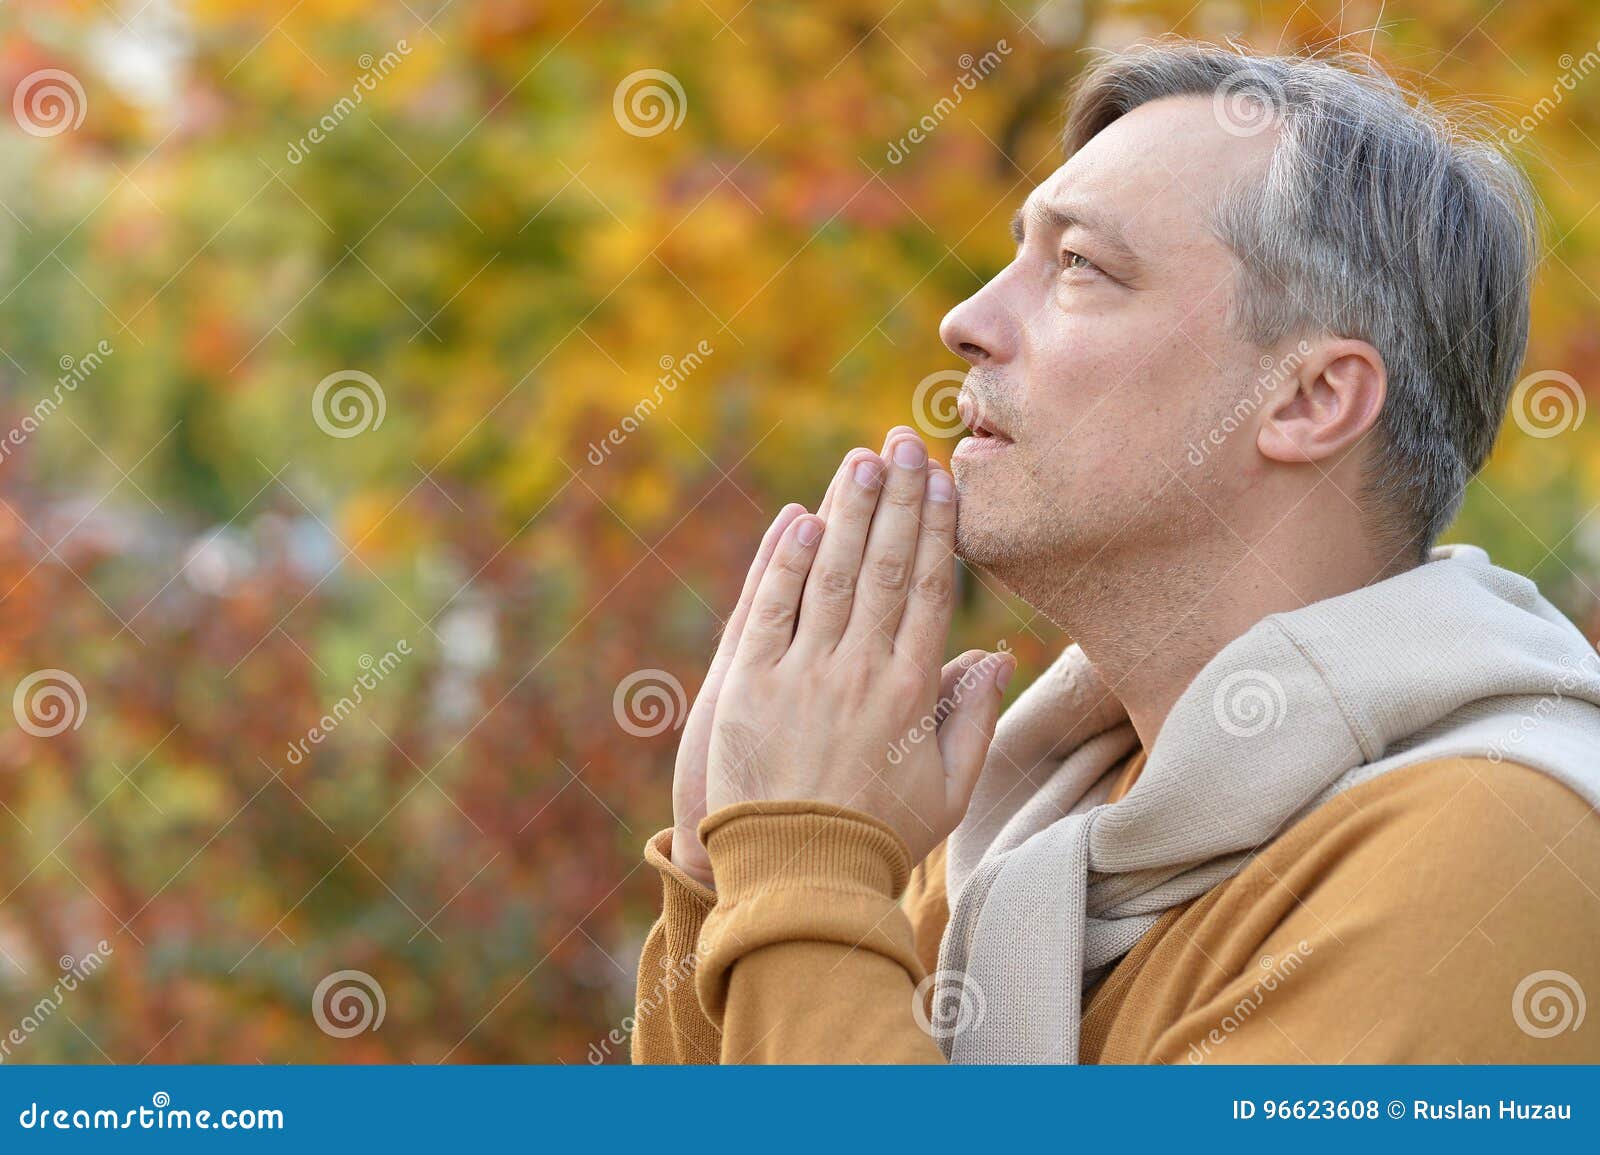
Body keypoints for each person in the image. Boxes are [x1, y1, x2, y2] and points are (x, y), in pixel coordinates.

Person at [631, 40, 1600, 1064]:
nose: (965, 321)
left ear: (1311, 399)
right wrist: (727, 875)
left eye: (1080, 265)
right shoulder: (1014, 842)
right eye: (1018, 254)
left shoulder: (1492, 846)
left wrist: (803, 870)